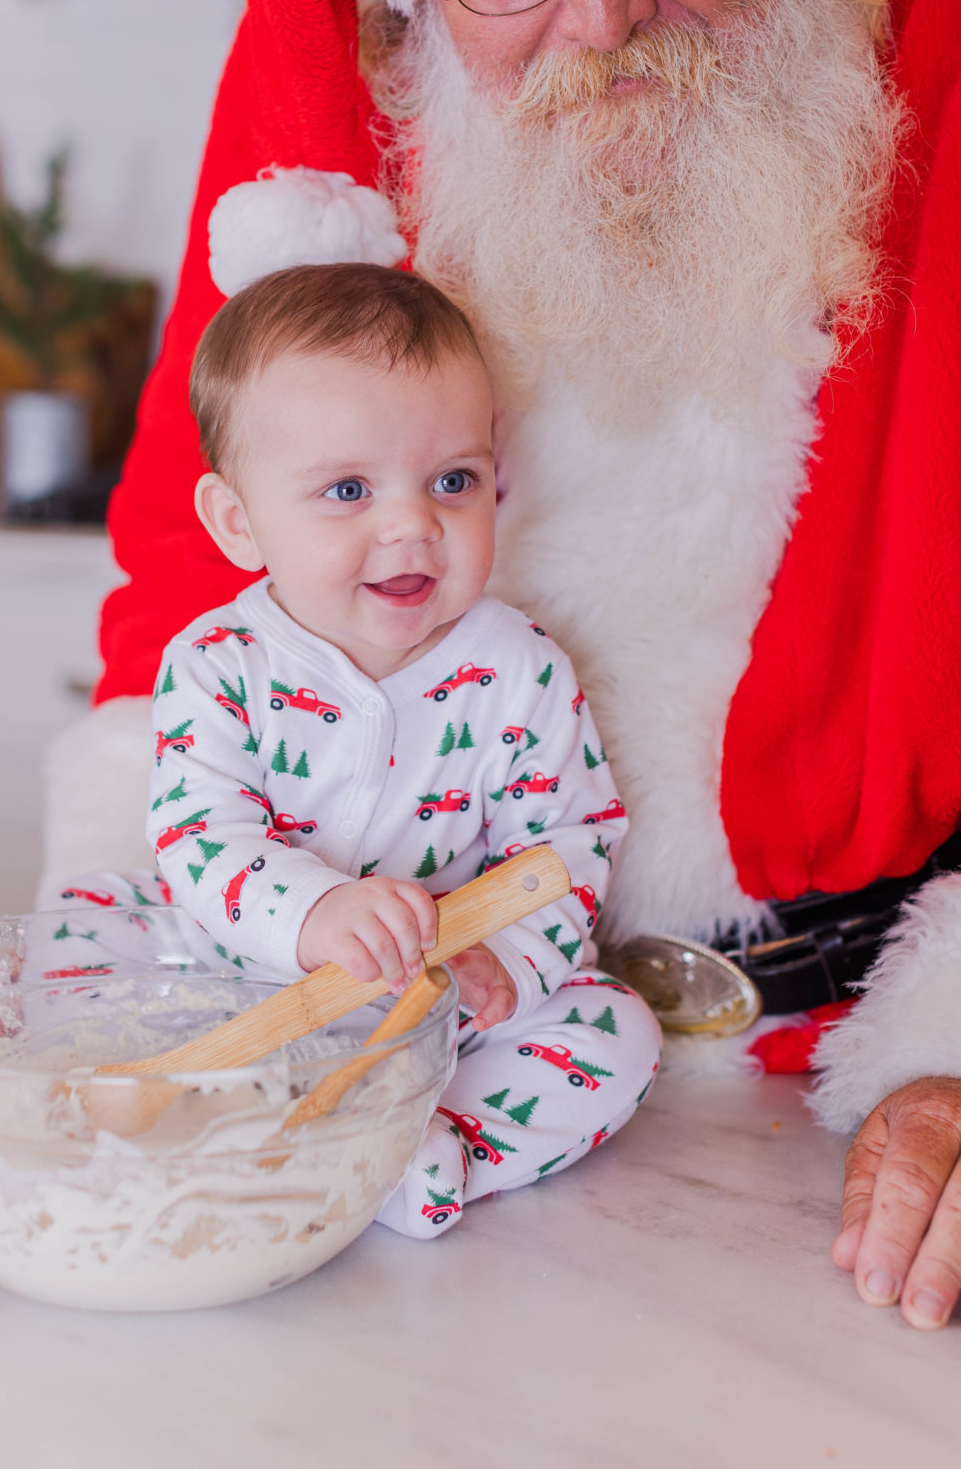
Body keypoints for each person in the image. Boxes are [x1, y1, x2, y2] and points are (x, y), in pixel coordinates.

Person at [42, 0, 961, 1333]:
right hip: (399, 1047)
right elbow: (189, 581)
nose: (601, 10)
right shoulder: (341, 114)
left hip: (868, 1092)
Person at [50, 259, 660, 1237]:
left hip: (434, 1001)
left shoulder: (523, 668)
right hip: (233, 972)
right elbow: (201, 834)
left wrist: (507, 954)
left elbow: (573, 838)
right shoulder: (217, 665)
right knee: (78, 925)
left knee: (615, 1036)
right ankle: (201, 1101)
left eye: (453, 480)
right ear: (239, 522)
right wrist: (314, 910)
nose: (413, 524)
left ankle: (412, 1146)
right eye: (347, 489)